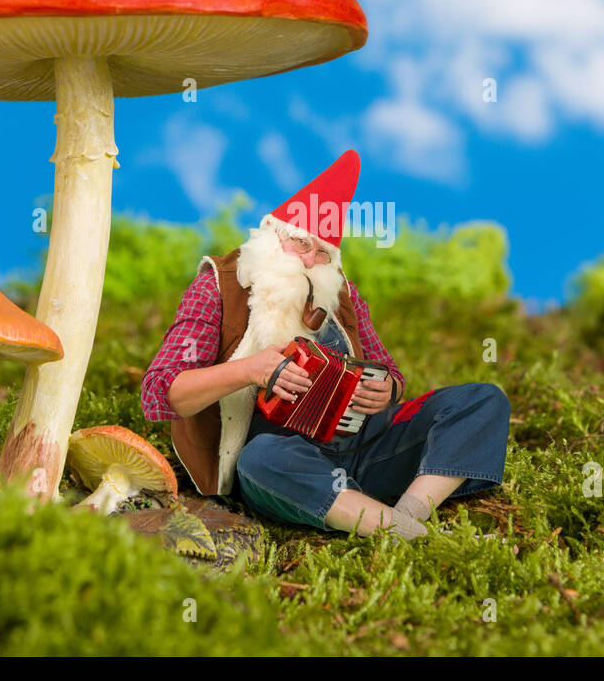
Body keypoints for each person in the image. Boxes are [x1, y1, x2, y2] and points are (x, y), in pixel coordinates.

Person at [140, 149, 510, 539]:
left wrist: (387, 392)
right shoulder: (217, 284)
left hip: (364, 451)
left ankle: (405, 517)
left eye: (322, 253)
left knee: (483, 400)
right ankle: (416, 538)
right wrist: (248, 370)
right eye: (300, 243)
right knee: (263, 459)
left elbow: (391, 372)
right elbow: (160, 393)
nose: (309, 260)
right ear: (272, 234)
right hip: (284, 464)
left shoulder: (340, 294)